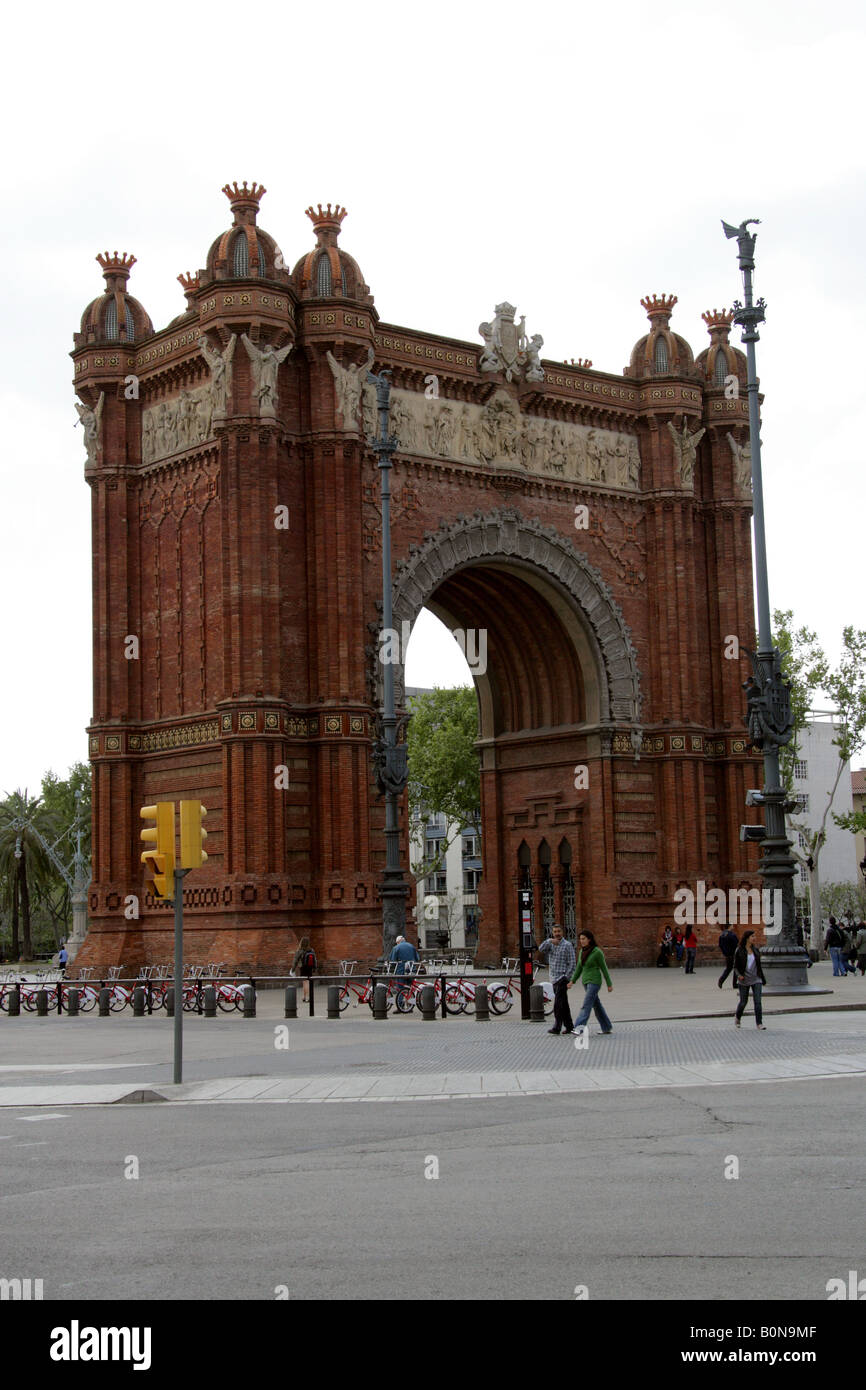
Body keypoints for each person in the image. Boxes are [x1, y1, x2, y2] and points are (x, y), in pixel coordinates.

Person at [567, 930, 613, 1036]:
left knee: (586, 1005)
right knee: (597, 1005)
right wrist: (572, 981)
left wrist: (609, 984)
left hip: (594, 981)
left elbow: (604, 968)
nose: (581, 941)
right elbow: (579, 968)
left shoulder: (597, 952)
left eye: (583, 939)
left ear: (589, 939)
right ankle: (606, 1027)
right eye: (580, 939)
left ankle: (579, 1028)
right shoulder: (582, 952)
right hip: (586, 981)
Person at [536, 923, 576, 1034]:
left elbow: (572, 963)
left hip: (562, 978)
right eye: (555, 932)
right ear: (552, 933)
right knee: (564, 1004)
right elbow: (540, 949)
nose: (557, 934)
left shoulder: (567, 945)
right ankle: (569, 1026)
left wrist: (567, 977)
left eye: (559, 931)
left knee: (558, 1004)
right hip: (553, 978)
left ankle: (557, 1027)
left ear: (562, 932)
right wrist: (549, 941)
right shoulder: (550, 944)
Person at [734, 928, 767, 1028]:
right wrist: (739, 975)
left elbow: (759, 966)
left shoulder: (755, 950)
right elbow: (735, 966)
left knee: (758, 1001)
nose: (754, 938)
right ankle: (738, 1017)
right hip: (744, 980)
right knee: (743, 1002)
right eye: (752, 936)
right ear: (747, 938)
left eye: (754, 936)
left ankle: (759, 1023)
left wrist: (762, 978)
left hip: (756, 979)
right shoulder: (739, 950)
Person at [389, 934, 420, 1003]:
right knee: (411, 987)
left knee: (400, 988)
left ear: (398, 942)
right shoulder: (411, 946)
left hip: (401, 969)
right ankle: (410, 1004)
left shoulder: (396, 947)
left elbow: (392, 960)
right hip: (412, 968)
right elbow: (417, 958)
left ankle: (400, 1004)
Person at [291, 935, 316, 1003]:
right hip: (310, 968)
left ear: (301, 942)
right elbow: (315, 960)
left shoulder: (300, 950)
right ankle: (304, 997)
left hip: (303, 968)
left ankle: (308, 997)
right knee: (307, 982)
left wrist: (292, 969)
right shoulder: (311, 950)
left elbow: (295, 960)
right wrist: (314, 968)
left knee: (305, 982)